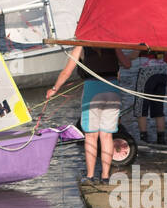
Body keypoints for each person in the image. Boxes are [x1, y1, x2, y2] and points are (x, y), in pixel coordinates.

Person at [48, 44, 132, 183]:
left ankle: (90, 176)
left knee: (91, 136)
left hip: (93, 90)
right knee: (107, 136)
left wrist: (54, 89)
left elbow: (66, 72)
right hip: (113, 90)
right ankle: (105, 177)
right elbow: (127, 64)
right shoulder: (112, 43)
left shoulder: (81, 46)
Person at [137, 64, 167, 145]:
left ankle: (143, 139)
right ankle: (161, 139)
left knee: (141, 106)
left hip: (146, 71)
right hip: (162, 71)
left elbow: (134, 55)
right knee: (158, 107)